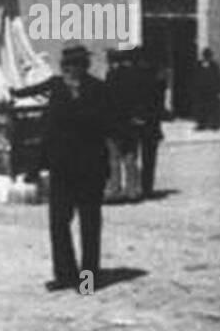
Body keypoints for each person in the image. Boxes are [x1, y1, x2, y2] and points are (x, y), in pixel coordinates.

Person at [11, 44, 110, 291]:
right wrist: (36, 167)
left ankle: (87, 280)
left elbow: (104, 125)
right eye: (65, 66)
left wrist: (78, 100)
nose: (68, 70)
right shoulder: (56, 87)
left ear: (82, 67)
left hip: (90, 168)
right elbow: (47, 129)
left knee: (89, 225)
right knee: (58, 223)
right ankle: (64, 275)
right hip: (62, 168)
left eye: (73, 65)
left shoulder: (98, 90)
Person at [104, 51, 140, 202]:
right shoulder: (133, 76)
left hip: (114, 123)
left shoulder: (111, 76)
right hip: (131, 123)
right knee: (130, 157)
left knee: (114, 158)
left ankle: (115, 190)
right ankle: (132, 190)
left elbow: (107, 100)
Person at [133, 49, 165, 198]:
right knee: (149, 159)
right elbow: (159, 103)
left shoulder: (131, 76)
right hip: (151, 123)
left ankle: (134, 187)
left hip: (134, 122)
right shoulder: (157, 78)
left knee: (131, 157)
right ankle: (147, 188)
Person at [192, 48, 220, 130]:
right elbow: (195, 77)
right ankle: (201, 124)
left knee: (213, 108)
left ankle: (215, 124)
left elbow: (218, 78)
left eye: (208, 56)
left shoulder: (214, 65)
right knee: (201, 108)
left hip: (212, 91)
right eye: (206, 55)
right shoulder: (198, 65)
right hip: (201, 91)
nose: (207, 57)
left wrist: (218, 90)